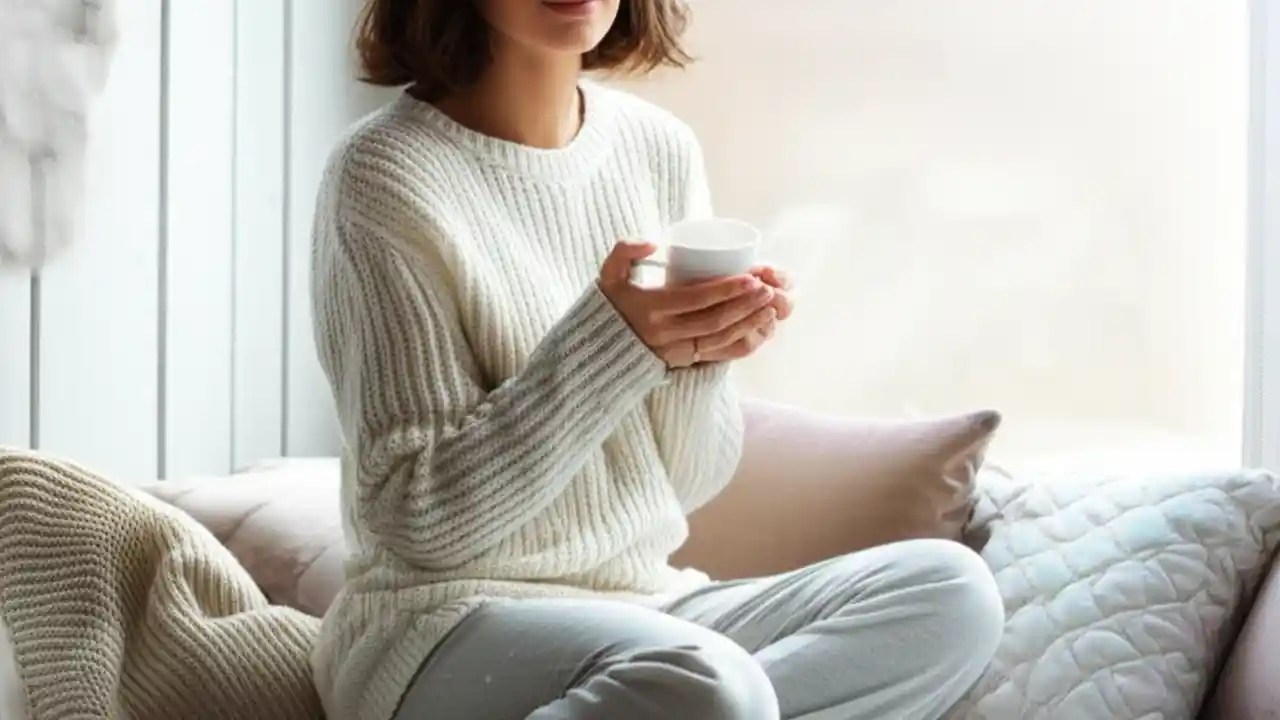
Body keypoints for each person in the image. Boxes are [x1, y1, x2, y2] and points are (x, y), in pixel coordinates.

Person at [309, 1, 1005, 718]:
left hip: (653, 609)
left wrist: (699, 359)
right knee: (707, 686)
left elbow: (688, 480)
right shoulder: (382, 175)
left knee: (950, 591)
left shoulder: (657, 148)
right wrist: (617, 343)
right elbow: (418, 520)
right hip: (442, 628)